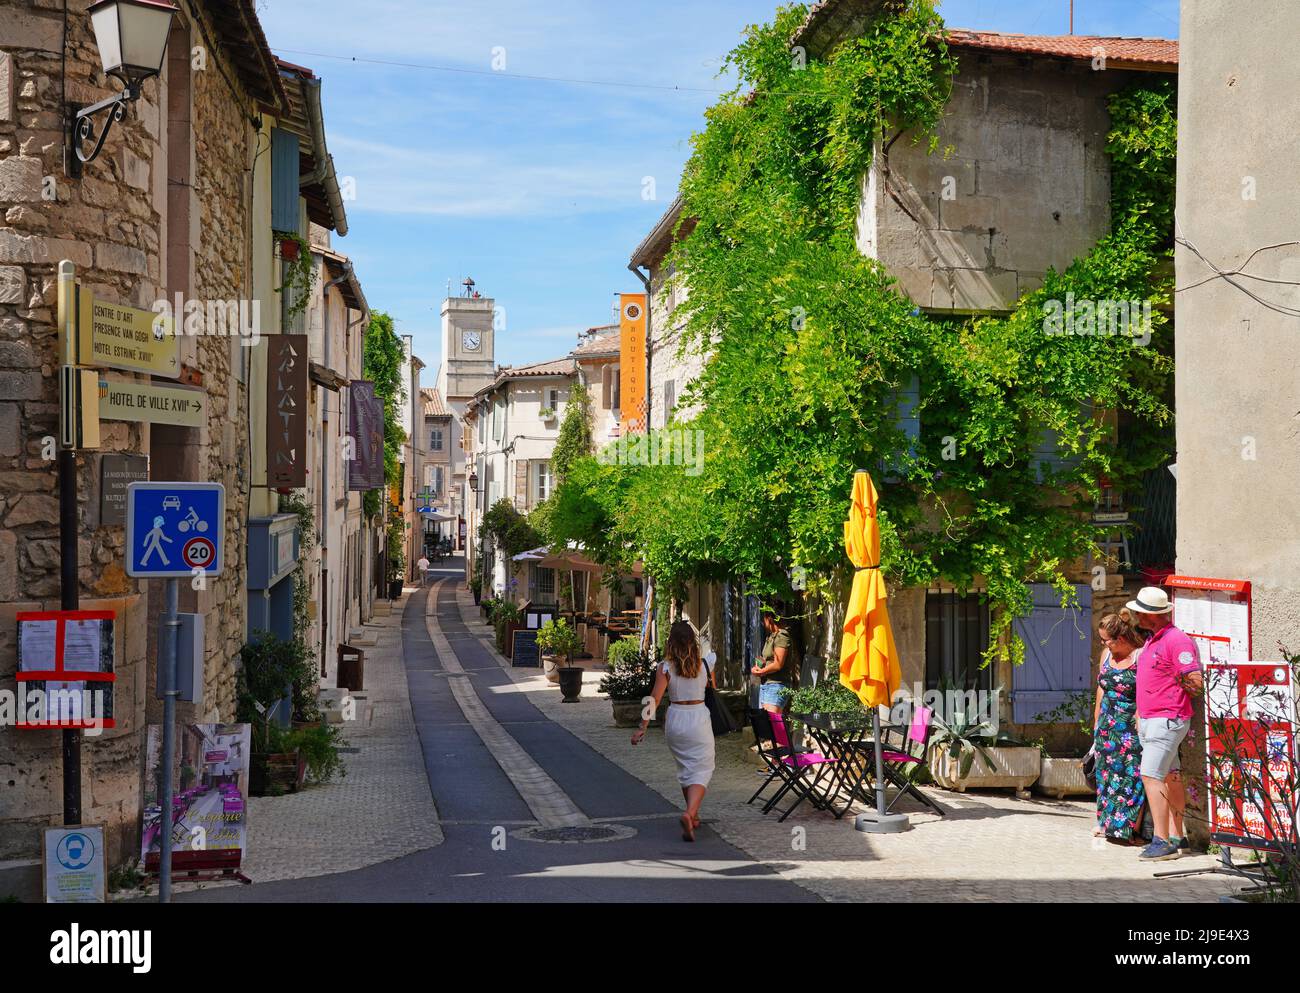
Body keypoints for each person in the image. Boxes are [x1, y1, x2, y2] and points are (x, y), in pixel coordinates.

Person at [1126, 586, 1203, 861]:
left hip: (1166, 718)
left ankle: (1160, 840)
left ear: (1151, 615)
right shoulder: (1153, 639)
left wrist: (1172, 684)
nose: (1135, 614)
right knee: (1170, 776)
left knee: (1151, 775)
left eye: (1139, 611)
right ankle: (1176, 837)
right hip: (1154, 718)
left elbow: (1194, 683)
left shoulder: (1176, 640)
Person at [631, 620, 715, 842]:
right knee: (702, 768)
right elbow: (709, 686)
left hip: (676, 719)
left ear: (671, 642)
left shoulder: (665, 667)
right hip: (698, 717)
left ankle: (693, 815)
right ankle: (689, 813)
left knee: (686, 767)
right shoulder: (705, 664)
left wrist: (643, 727)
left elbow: (655, 699)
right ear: (692, 642)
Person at [1093, 613, 1147, 844]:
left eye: (1107, 640)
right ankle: (1106, 823)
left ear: (1122, 637)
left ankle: (1128, 829)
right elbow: (1101, 688)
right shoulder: (1106, 655)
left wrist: (1140, 721)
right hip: (1107, 726)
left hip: (1129, 727)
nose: (1104, 644)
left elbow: (1145, 692)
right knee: (1106, 775)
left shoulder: (1140, 656)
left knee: (1130, 776)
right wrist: (1096, 722)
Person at [751, 609, 794, 713]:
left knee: (771, 723)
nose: (763, 622)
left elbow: (778, 664)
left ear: (769, 619)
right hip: (767, 684)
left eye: (764, 619)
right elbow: (767, 659)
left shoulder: (781, 636)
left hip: (777, 685)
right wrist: (758, 666)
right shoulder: (771, 636)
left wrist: (761, 672)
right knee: (770, 724)